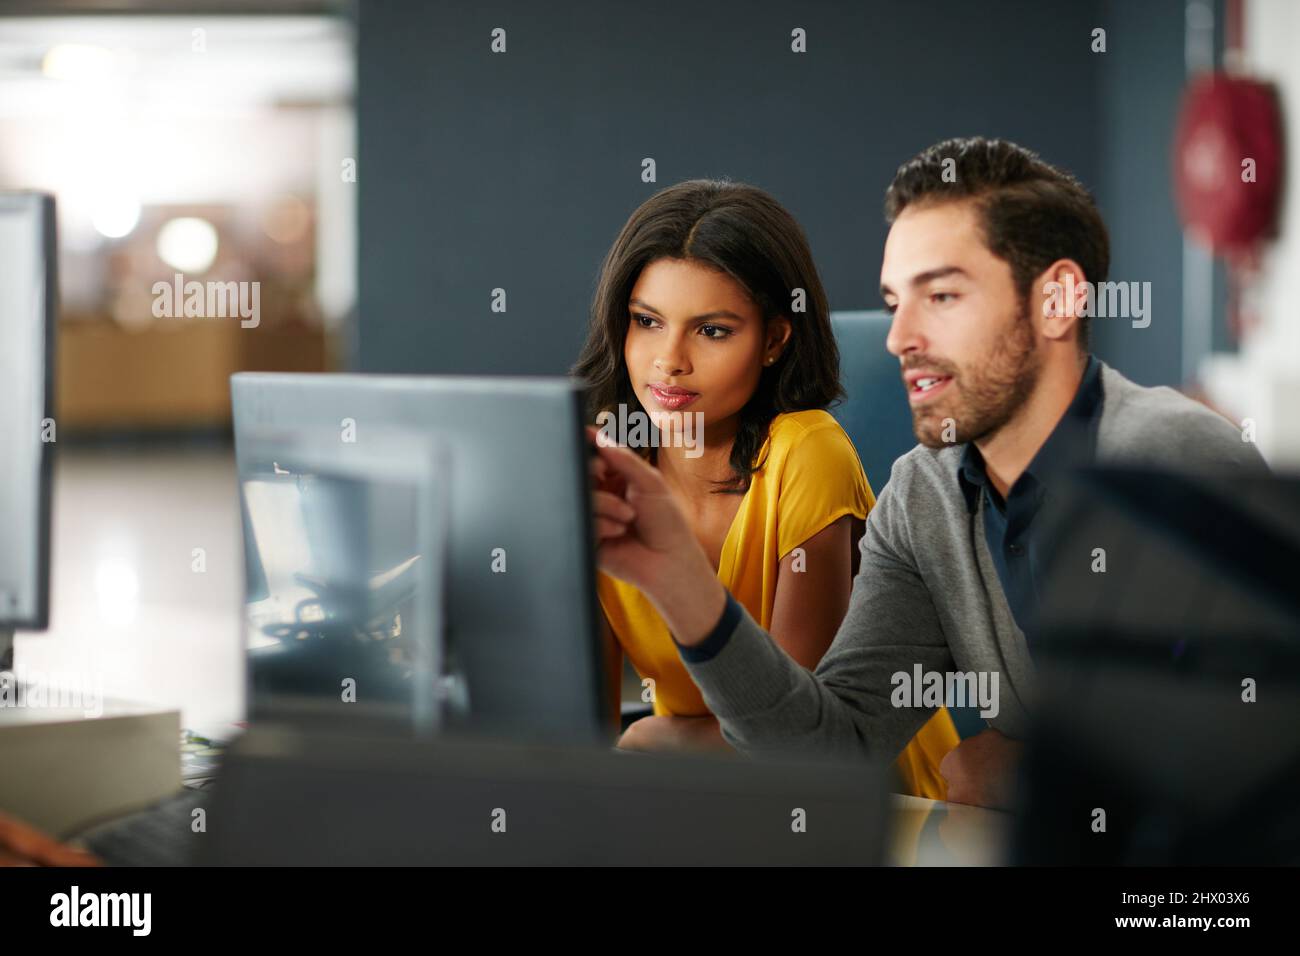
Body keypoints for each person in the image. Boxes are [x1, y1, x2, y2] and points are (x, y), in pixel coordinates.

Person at [590, 138, 1266, 809]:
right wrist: (679, 580)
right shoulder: (923, 495)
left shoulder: (1179, 460)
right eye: (894, 302)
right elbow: (827, 747)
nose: (898, 338)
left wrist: (1018, 776)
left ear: (1057, 301)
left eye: (940, 297)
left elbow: (1250, 747)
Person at [572, 178, 959, 798]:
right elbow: (578, 737)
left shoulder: (808, 453)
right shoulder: (602, 470)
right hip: (698, 797)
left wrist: (652, 741)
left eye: (713, 331)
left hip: (882, 806)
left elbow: (800, 739)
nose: (668, 360)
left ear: (775, 339)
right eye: (647, 321)